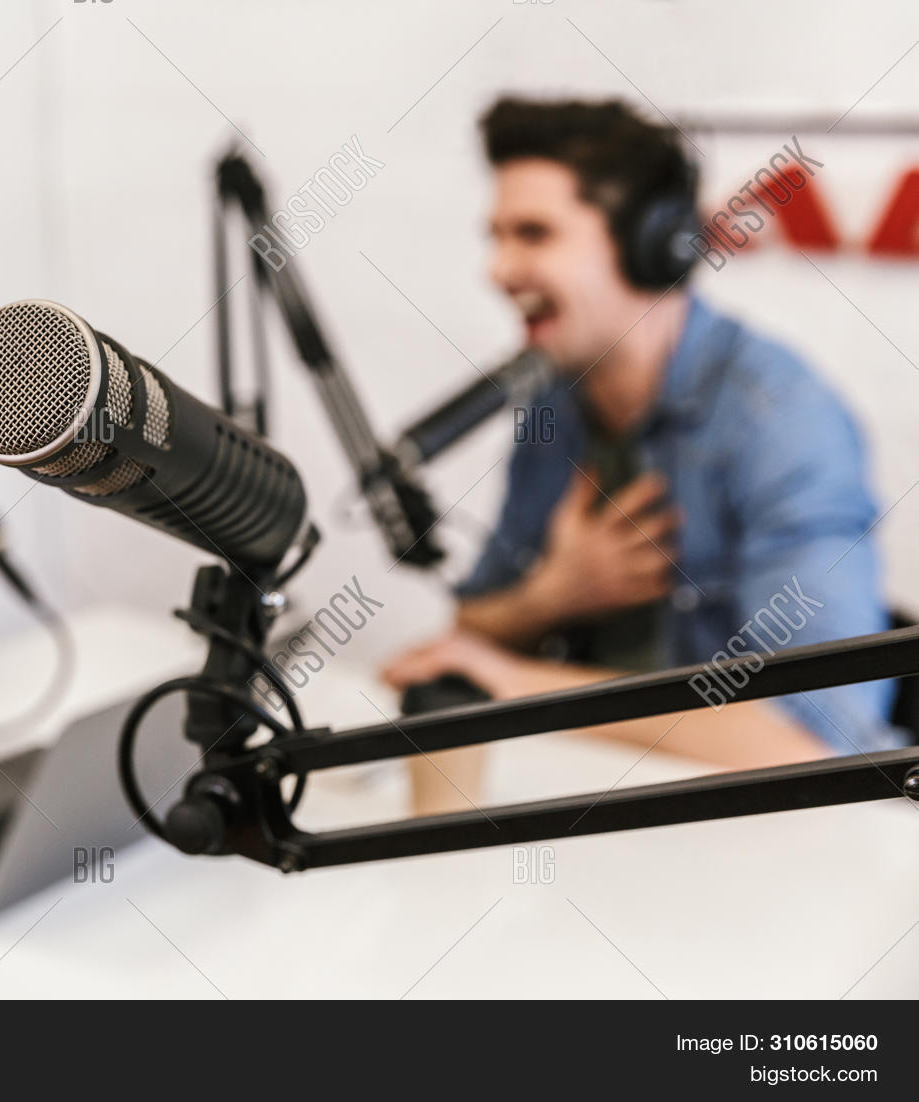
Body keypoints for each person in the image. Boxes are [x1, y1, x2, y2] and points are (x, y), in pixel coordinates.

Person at [383, 98, 897, 810]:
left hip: (747, 837)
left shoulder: (780, 419)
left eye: (533, 234)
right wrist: (551, 596)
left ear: (655, 244)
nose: (498, 270)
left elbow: (821, 745)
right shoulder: (558, 397)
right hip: (592, 791)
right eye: (495, 236)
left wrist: (516, 689)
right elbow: (475, 628)